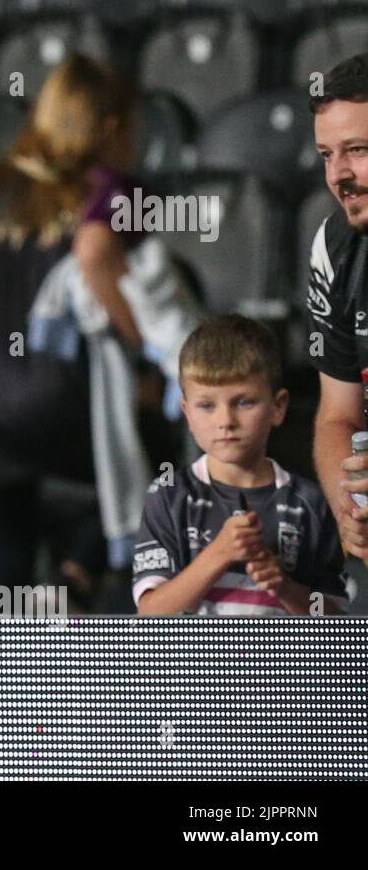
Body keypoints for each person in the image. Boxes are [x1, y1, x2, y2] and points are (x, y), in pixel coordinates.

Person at [0, 54, 196, 604]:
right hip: (56, 394)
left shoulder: (14, 192)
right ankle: (80, 569)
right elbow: (95, 252)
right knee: (162, 456)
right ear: (111, 130)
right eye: (132, 129)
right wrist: (142, 357)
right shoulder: (115, 190)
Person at [134, 315, 348, 615]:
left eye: (244, 402)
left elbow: (337, 625)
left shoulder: (309, 502)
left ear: (278, 407)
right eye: (207, 405)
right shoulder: (169, 496)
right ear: (187, 413)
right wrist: (218, 555)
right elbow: (151, 615)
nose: (225, 422)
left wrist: (285, 587)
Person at [307, 51, 368, 561]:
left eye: (357, 150)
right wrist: (349, 511)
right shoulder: (334, 245)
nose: (338, 175)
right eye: (327, 154)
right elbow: (336, 417)